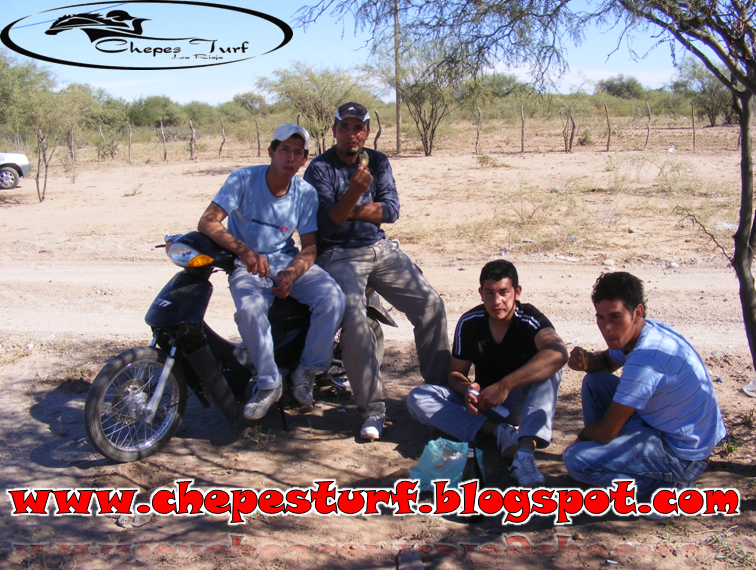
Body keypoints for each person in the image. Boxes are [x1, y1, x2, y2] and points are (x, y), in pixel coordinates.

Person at [303, 102, 450, 441]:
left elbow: (392, 211)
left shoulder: (378, 161)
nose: (351, 134)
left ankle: (442, 392)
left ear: (367, 132)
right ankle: (372, 409)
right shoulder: (320, 168)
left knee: (431, 304)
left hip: (378, 246)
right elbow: (327, 224)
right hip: (338, 253)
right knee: (355, 322)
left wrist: (349, 208)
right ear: (334, 131)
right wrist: (357, 194)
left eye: (358, 128)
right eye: (344, 127)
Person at [198, 124, 345, 421]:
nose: (290, 158)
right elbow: (208, 222)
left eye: (298, 153)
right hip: (247, 263)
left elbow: (309, 247)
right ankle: (269, 383)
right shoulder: (243, 179)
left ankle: (308, 370)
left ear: (304, 159)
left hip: (285, 260)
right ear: (271, 152)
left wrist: (292, 273)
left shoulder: (305, 193)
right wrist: (243, 250)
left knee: (333, 298)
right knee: (250, 310)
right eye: (284, 150)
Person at [563, 271, 726, 506]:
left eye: (615, 317)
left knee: (576, 460)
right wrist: (586, 361)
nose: (607, 327)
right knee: (594, 381)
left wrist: (584, 438)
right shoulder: (647, 331)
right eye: (601, 317)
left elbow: (607, 431)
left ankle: (665, 489)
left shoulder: (646, 357)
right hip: (666, 428)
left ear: (637, 313)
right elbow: (606, 362)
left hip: (682, 454)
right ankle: (608, 457)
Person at [407, 260, 568, 487]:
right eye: (489, 293)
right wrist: (467, 390)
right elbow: (456, 373)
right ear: (481, 293)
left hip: (523, 406)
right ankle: (500, 432)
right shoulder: (470, 322)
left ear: (517, 292)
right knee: (419, 397)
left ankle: (524, 454)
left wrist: (505, 386)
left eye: (503, 292)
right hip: (485, 405)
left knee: (551, 370)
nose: (496, 301)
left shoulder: (530, 319)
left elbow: (558, 353)